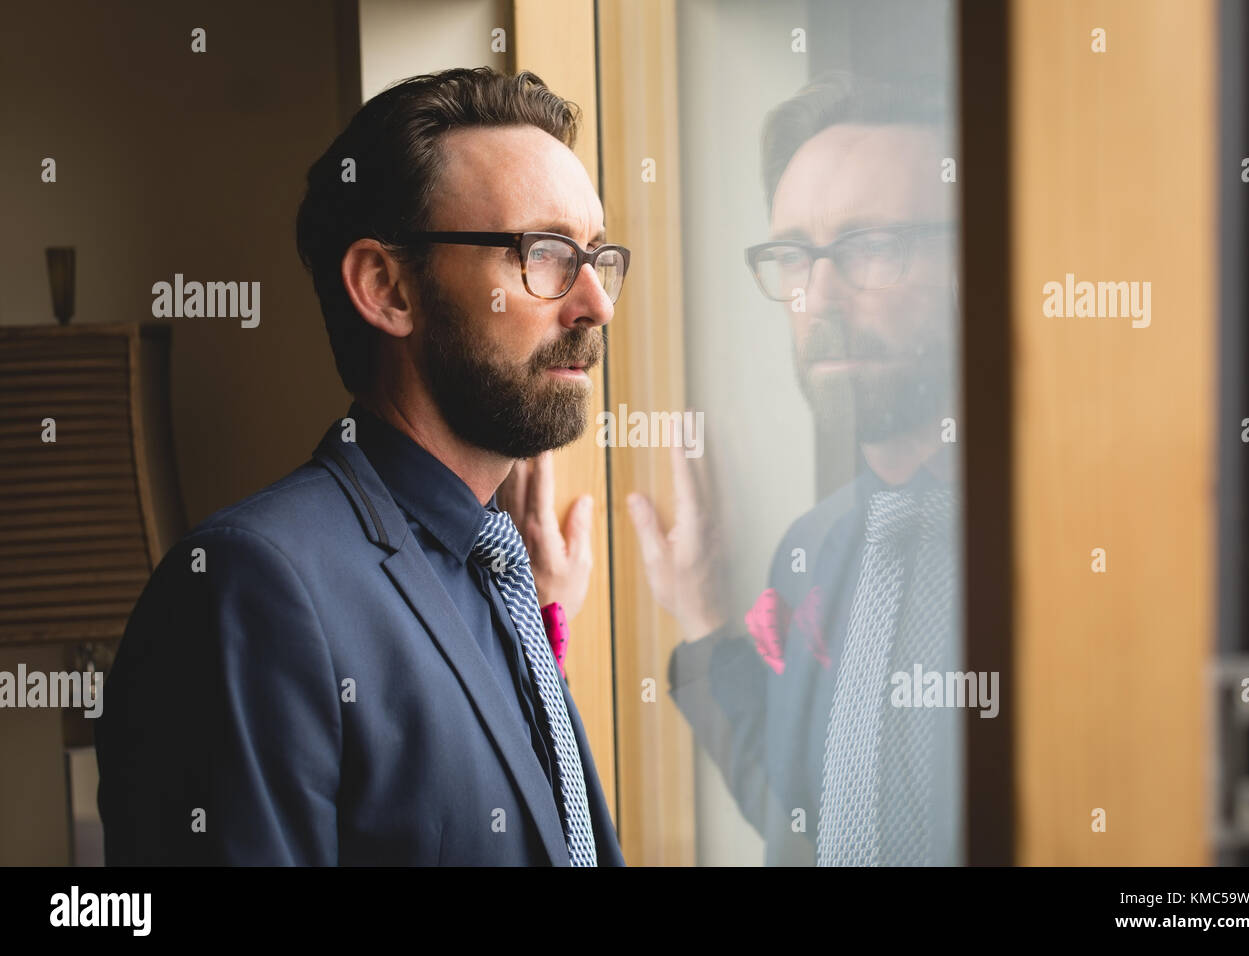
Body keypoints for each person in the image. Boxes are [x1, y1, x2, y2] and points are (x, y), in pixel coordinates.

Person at [95, 67, 627, 866]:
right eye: (544, 253)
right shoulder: (248, 589)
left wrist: (539, 627)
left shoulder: (501, 577)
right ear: (386, 288)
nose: (596, 303)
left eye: (595, 255)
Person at [627, 71, 963, 865]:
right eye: (794, 256)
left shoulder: (1069, 548)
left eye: (871, 246)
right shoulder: (815, 547)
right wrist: (704, 620)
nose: (819, 296)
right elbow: (807, 818)